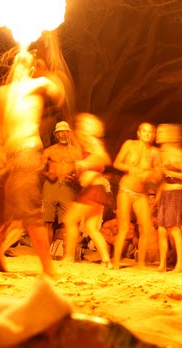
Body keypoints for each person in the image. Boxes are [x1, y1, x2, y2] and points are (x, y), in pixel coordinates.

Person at [0, 44, 65, 276]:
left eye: (26, 60)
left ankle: (48, 269)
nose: (20, 60)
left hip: (27, 153)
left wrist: (45, 70)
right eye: (17, 59)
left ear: (30, 67)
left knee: (29, 210)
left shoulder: (36, 85)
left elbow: (59, 92)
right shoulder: (1, 93)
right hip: (6, 157)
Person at [61, 113, 115, 268]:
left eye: (82, 125)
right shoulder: (87, 144)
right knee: (91, 228)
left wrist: (85, 163)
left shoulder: (93, 142)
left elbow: (103, 158)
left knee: (70, 220)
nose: (80, 129)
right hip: (94, 190)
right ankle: (106, 260)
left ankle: (69, 257)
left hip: (93, 190)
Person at [112, 122, 162, 268]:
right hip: (126, 190)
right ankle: (115, 262)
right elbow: (116, 163)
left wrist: (150, 172)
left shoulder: (155, 152)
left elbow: (159, 175)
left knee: (146, 227)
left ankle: (141, 262)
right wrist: (130, 168)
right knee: (124, 226)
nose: (147, 134)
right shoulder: (129, 144)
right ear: (139, 133)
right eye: (144, 131)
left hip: (141, 193)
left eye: (150, 132)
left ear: (153, 135)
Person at [155, 124, 182, 272]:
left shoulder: (179, 153)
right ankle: (162, 263)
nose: (158, 134)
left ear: (170, 135)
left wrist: (172, 173)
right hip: (165, 194)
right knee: (161, 230)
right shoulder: (161, 153)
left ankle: (179, 264)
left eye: (161, 132)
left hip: (176, 193)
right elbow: (161, 178)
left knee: (174, 229)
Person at [41, 121, 79, 253]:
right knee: (48, 221)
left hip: (68, 187)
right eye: (60, 132)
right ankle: (46, 253)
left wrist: (75, 177)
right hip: (50, 186)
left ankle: (67, 252)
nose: (63, 134)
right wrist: (48, 174)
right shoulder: (49, 151)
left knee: (69, 221)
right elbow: (39, 169)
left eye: (65, 131)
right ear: (56, 135)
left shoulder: (76, 152)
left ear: (69, 133)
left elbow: (82, 170)